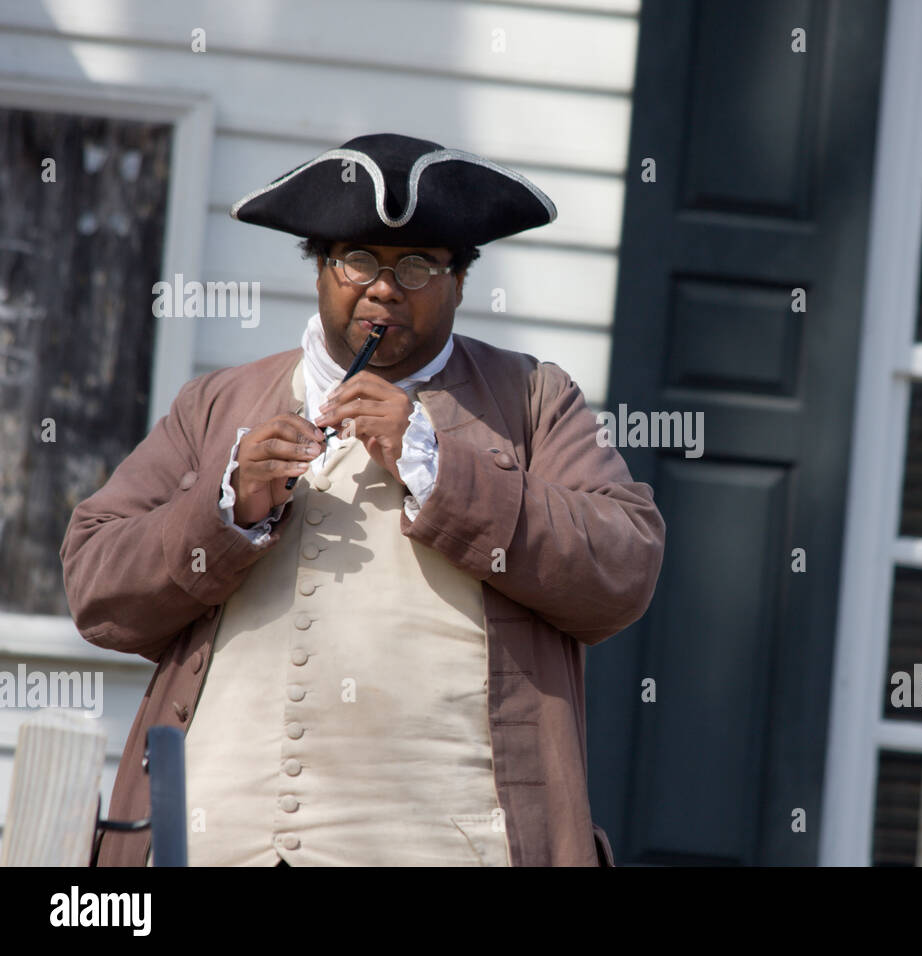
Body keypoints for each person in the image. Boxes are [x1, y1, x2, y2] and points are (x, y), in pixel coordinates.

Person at [60, 132, 666, 867]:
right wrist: (223, 510)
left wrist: (440, 469)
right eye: (356, 260)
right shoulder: (217, 404)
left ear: (460, 280)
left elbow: (623, 567)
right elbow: (95, 585)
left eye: (416, 265)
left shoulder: (533, 399)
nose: (384, 288)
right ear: (319, 268)